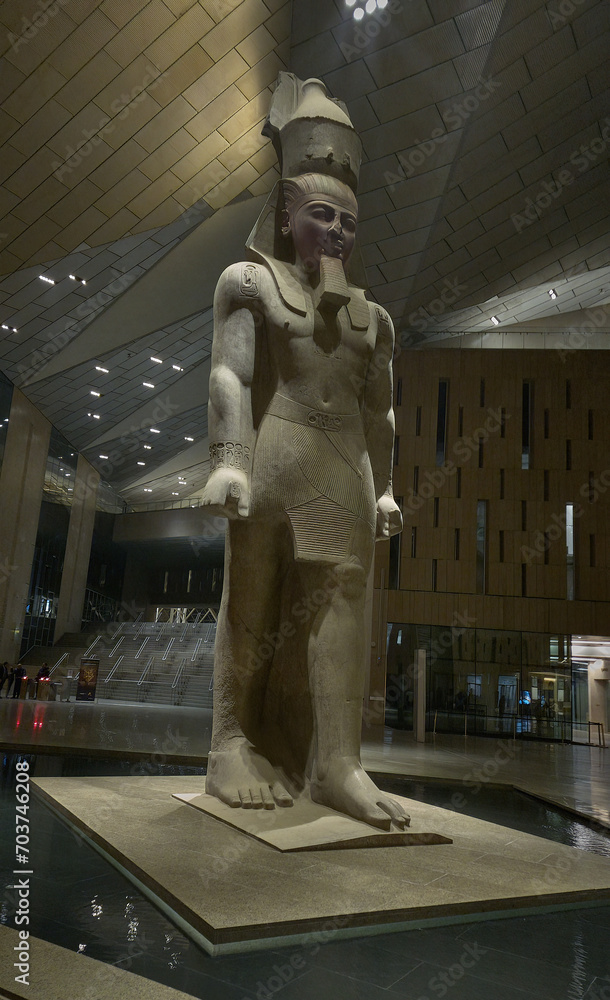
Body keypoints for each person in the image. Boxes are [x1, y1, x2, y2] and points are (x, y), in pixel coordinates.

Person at [201, 75, 407, 830]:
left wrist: (384, 489)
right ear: (287, 217)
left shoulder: (374, 321)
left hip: (343, 472)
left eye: (349, 221)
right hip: (273, 461)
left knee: (344, 607)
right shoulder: (249, 283)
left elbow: (380, 412)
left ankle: (337, 762)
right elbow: (231, 371)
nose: (339, 233)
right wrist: (229, 457)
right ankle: (229, 744)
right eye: (323, 216)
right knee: (251, 600)